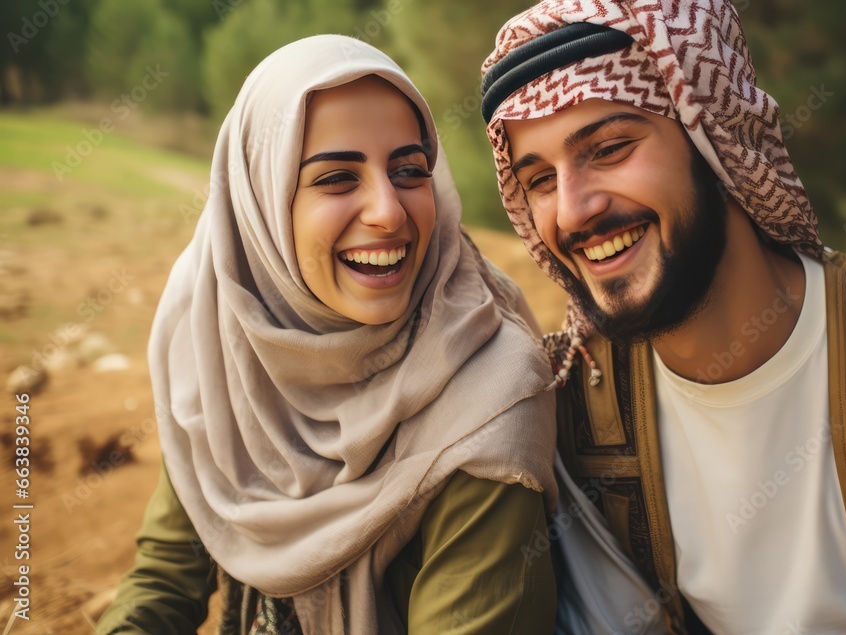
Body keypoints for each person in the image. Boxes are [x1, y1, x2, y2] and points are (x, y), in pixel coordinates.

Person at [480, 1, 846, 633]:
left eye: (611, 148)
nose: (572, 211)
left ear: (716, 139)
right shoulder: (575, 416)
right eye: (538, 181)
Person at [96, 35, 561, 634]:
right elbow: (163, 580)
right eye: (337, 177)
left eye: (409, 170)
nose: (389, 212)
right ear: (258, 206)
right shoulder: (223, 338)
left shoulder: (489, 402)